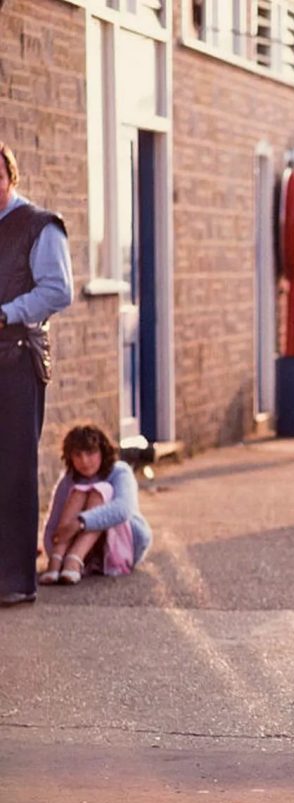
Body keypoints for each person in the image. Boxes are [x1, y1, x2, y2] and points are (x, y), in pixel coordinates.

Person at [0, 142, 73, 608]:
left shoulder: (40, 226)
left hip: (17, 359)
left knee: (13, 468)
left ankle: (14, 580)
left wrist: (6, 313)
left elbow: (58, 291)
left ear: (11, 176)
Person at [40, 424, 152, 583]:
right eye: (77, 455)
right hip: (89, 552)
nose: (84, 461)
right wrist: (53, 552)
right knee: (78, 492)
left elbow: (123, 509)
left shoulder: (119, 471)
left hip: (124, 544)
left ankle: (75, 558)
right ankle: (57, 563)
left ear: (102, 451)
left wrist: (80, 523)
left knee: (100, 490)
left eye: (91, 453)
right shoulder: (69, 479)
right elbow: (54, 523)